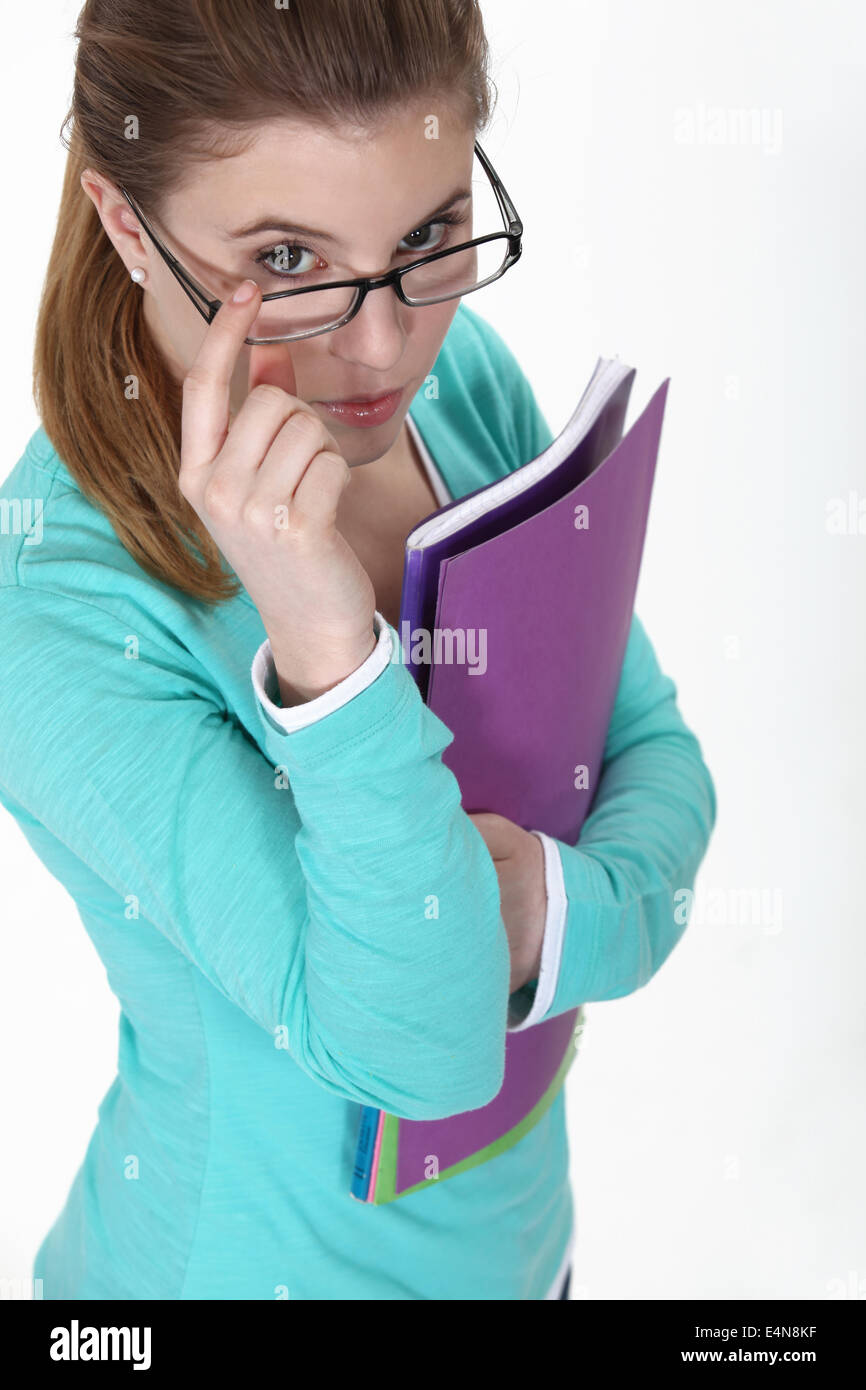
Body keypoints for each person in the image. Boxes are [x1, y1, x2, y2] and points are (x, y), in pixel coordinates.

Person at [0, 0, 716, 1300]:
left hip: (520, 1253)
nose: (382, 346)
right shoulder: (53, 613)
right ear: (124, 222)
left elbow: (660, 762)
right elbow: (424, 1053)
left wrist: (550, 912)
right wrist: (328, 654)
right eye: (285, 256)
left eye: (429, 234)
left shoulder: (454, 383)